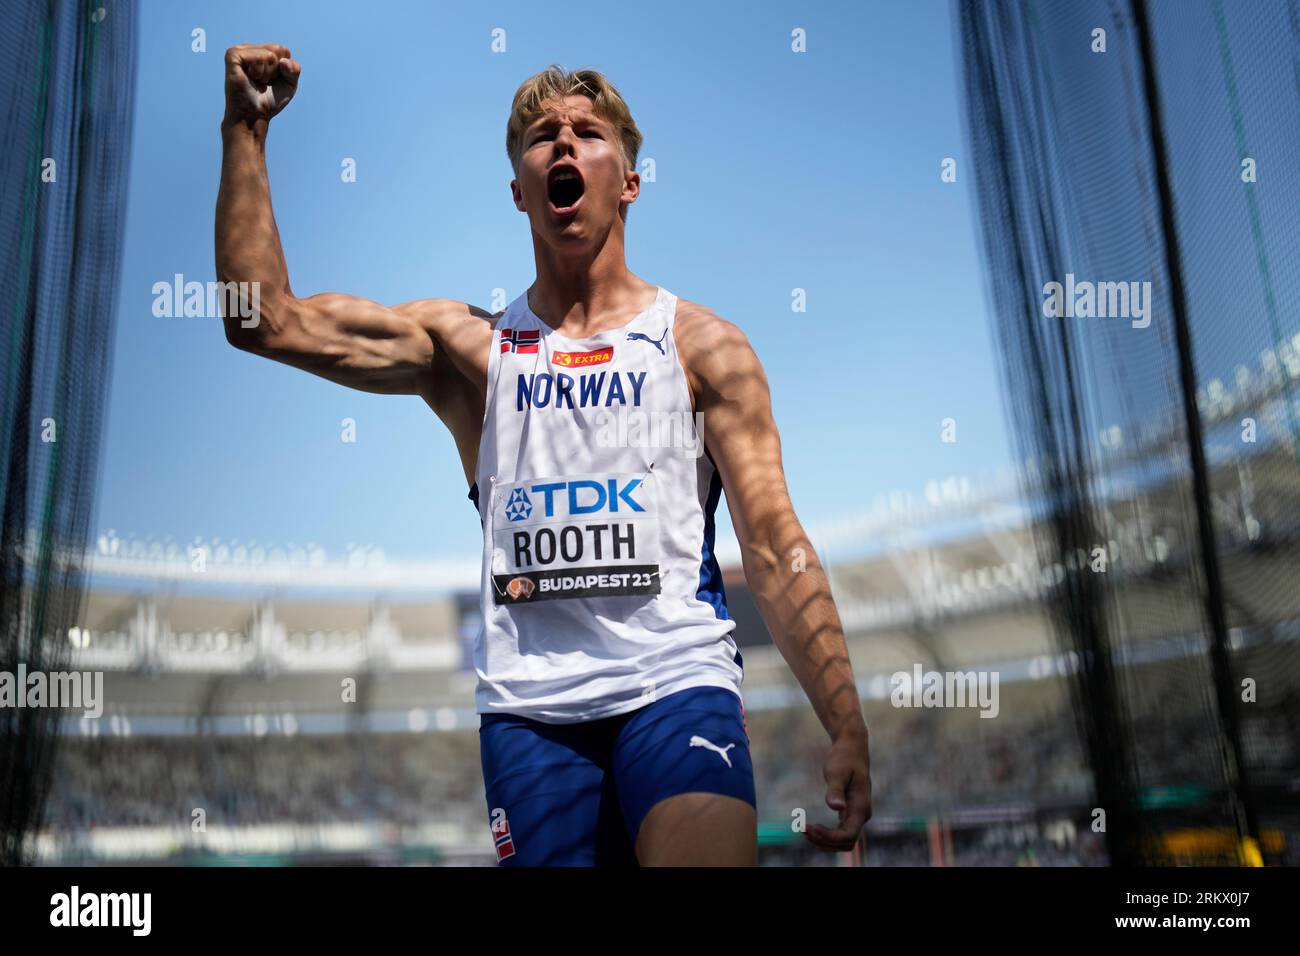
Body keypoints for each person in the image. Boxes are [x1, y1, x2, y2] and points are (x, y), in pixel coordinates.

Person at [215, 44, 871, 866]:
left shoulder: (704, 348)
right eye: (541, 136)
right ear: (519, 190)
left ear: (629, 181)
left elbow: (775, 546)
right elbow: (262, 320)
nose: (563, 143)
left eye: (587, 132)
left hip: (676, 686)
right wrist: (245, 125)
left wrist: (844, 717)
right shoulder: (469, 349)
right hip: (530, 720)